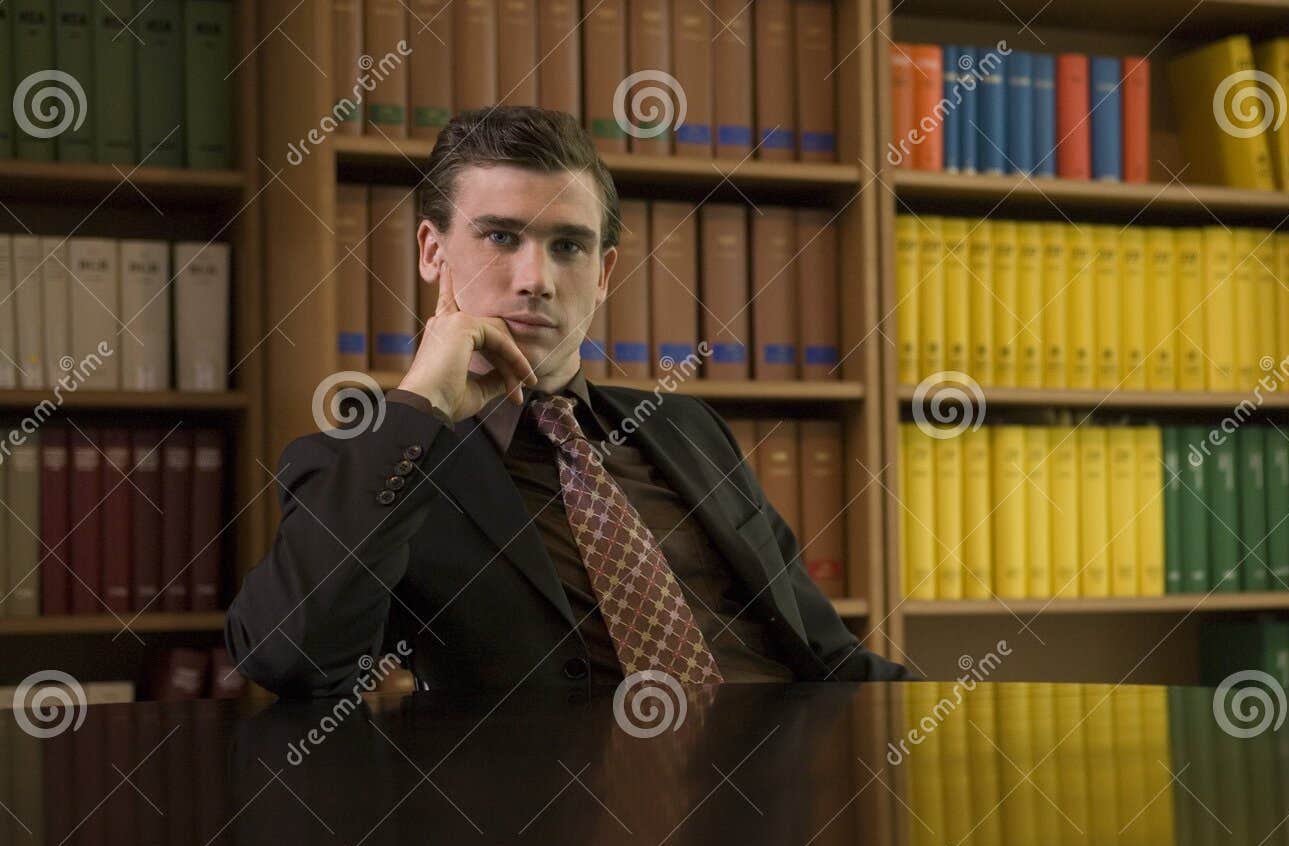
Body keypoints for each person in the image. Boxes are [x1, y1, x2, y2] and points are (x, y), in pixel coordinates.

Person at [225, 106, 909, 697]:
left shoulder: (684, 424)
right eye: (501, 237)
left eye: (568, 246)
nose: (536, 280)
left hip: (789, 796)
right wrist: (422, 403)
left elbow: (827, 654)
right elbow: (288, 657)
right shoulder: (374, 460)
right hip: (579, 822)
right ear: (432, 252)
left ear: (604, 271)